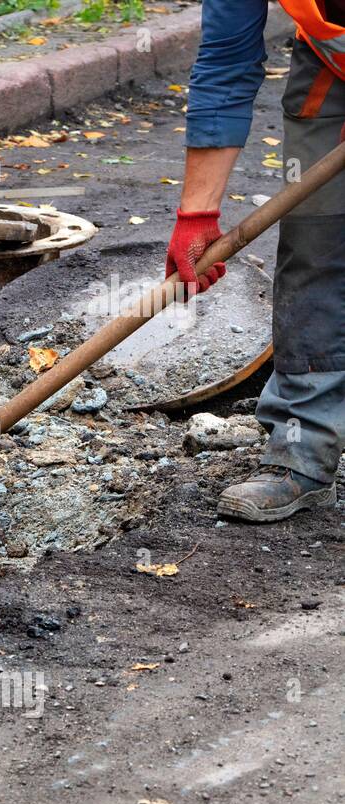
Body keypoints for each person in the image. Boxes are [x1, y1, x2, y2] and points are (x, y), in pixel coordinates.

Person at [174, 0, 345, 522]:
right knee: (315, 246)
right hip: (332, 66)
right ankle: (302, 453)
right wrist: (196, 213)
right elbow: (227, 59)